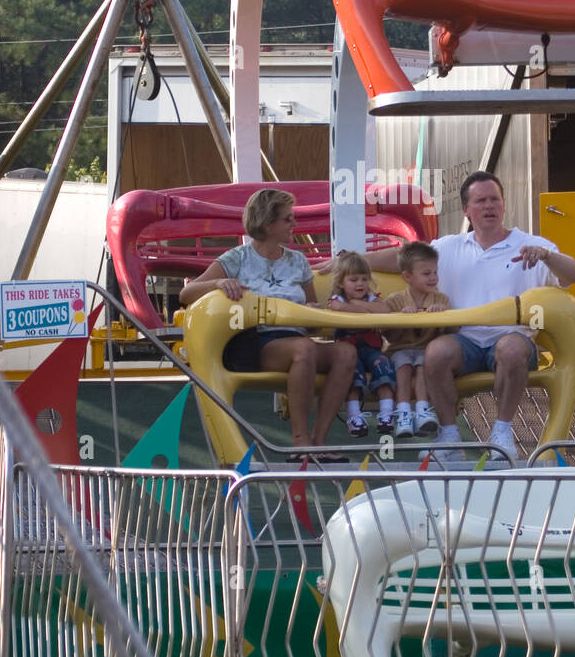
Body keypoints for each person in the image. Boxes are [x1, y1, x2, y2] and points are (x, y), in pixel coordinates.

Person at [364, 171, 575, 464]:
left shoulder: (532, 245)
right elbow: (402, 258)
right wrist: (350, 261)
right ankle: (449, 436)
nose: (489, 206)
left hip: (512, 340)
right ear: (467, 210)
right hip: (463, 340)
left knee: (511, 347)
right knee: (436, 350)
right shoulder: (448, 247)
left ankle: (502, 434)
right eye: (481, 201)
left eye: (495, 200)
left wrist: (546, 256)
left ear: (504, 205)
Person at [179, 188, 356, 461]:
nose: (294, 225)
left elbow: (311, 317)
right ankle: (300, 441)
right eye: (288, 219)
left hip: (298, 337)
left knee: (346, 353)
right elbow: (185, 295)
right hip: (256, 343)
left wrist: (313, 311)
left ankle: (320, 440)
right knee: (303, 350)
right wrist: (218, 283)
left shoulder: (297, 261)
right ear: (268, 223)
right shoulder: (237, 258)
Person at [382, 241, 450, 438]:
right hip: (399, 351)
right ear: (408, 277)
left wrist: (442, 316)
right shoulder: (395, 301)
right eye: (426, 274)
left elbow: (451, 331)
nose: (433, 278)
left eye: (435, 273)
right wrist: (402, 320)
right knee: (403, 365)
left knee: (423, 365)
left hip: (426, 351)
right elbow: (389, 336)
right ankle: (403, 413)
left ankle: (422, 410)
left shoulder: (441, 300)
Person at [327, 252, 396, 437]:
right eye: (354, 279)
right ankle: (354, 415)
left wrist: (360, 306)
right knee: (352, 373)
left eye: (364, 279)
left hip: (371, 349)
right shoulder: (338, 299)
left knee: (384, 365)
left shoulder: (372, 298)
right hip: (348, 350)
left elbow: (385, 310)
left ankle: (387, 413)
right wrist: (364, 310)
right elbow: (338, 308)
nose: (360, 284)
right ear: (341, 282)